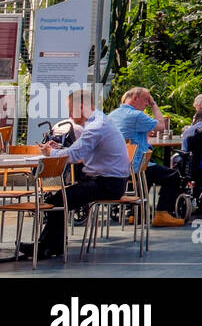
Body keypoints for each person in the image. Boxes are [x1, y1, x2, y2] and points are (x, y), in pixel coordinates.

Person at [4, 89, 131, 261]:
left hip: (107, 184)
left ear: (81, 107)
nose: (70, 115)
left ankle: (48, 246)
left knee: (57, 200)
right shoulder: (99, 122)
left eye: (71, 110)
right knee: (58, 198)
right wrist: (58, 150)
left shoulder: (96, 126)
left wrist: (50, 153)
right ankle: (51, 244)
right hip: (109, 181)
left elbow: (75, 156)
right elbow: (78, 152)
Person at [106, 87, 185, 227]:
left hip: (116, 167)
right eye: (146, 100)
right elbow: (162, 126)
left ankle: (135, 213)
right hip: (135, 166)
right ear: (135, 98)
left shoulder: (112, 115)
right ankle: (162, 213)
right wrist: (154, 104)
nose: (147, 104)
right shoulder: (136, 115)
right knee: (173, 176)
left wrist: (144, 134)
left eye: (149, 101)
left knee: (149, 170)